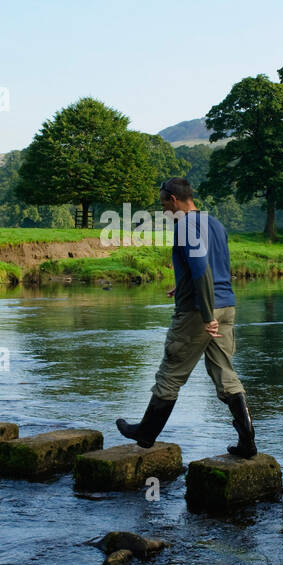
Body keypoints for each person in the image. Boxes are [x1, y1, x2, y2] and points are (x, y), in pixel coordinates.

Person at [116, 177, 257, 457]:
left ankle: (145, 434)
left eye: (163, 205)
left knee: (171, 372)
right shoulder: (214, 223)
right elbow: (217, 268)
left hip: (198, 312)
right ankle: (248, 442)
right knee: (225, 373)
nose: (164, 212)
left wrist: (205, 315)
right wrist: (181, 286)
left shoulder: (184, 227)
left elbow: (202, 270)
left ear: (173, 200)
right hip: (227, 306)